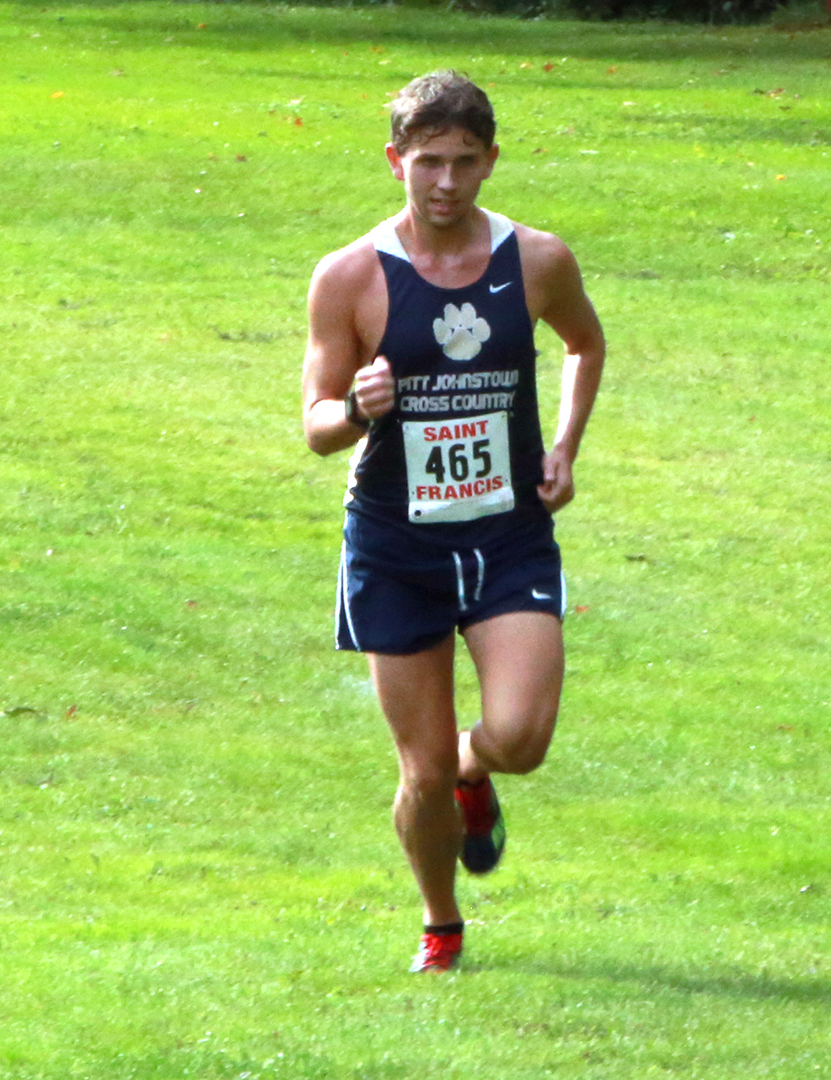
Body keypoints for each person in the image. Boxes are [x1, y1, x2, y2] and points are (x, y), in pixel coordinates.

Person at [300, 71, 605, 974]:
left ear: (491, 161)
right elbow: (316, 426)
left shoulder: (538, 260)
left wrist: (564, 446)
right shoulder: (350, 276)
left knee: (522, 741)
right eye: (428, 161)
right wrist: (357, 410)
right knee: (421, 772)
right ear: (395, 161)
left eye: (464, 162)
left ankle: (476, 765)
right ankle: (442, 921)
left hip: (507, 533)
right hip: (396, 546)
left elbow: (585, 343)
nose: (445, 182)